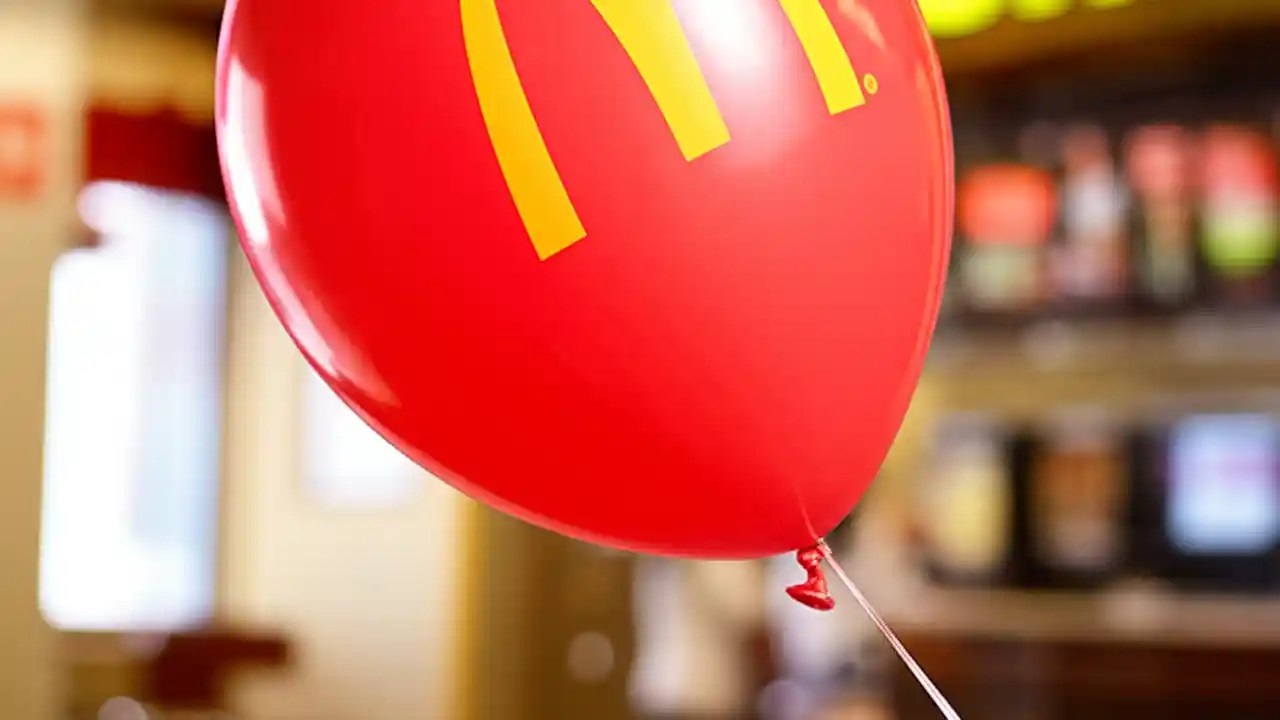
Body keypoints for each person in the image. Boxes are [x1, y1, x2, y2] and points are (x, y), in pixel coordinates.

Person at [630, 557, 768, 720]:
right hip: (701, 693)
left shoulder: (651, 554)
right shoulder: (710, 549)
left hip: (656, 686)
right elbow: (750, 610)